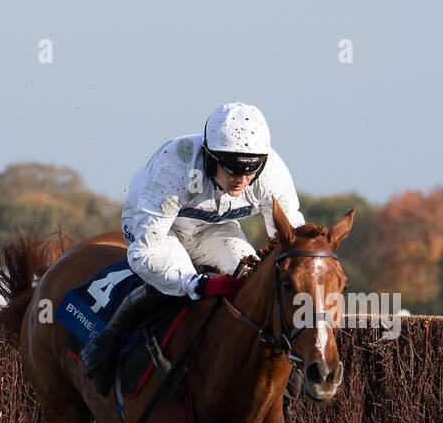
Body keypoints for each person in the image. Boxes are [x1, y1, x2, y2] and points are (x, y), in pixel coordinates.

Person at [80, 102, 305, 395]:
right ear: (210, 157)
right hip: (159, 226)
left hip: (214, 227)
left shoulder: (272, 172)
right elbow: (144, 254)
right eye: (232, 169)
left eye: (250, 170)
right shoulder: (175, 165)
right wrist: (195, 282)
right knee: (180, 284)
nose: (241, 180)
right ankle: (106, 343)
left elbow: (290, 242)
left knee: (249, 279)